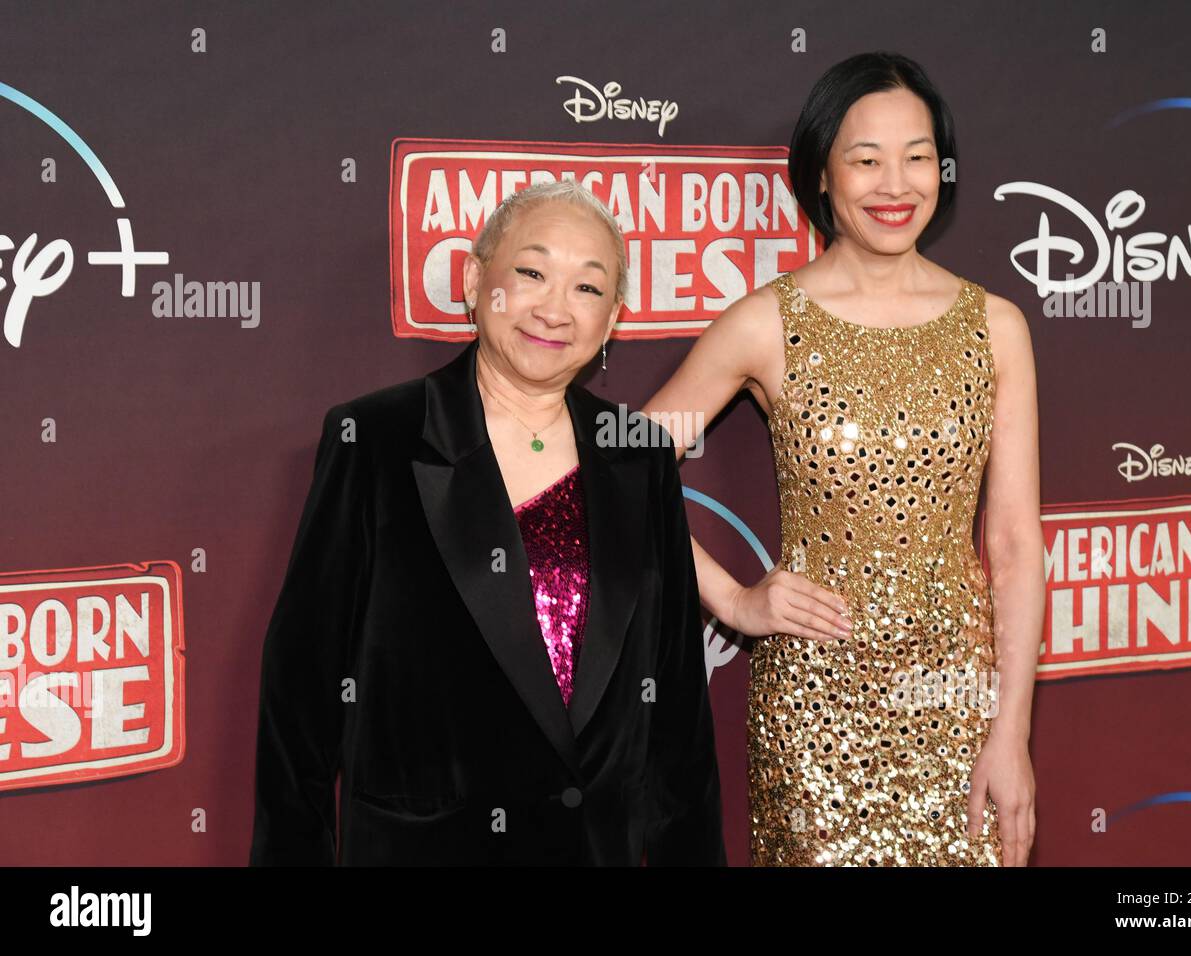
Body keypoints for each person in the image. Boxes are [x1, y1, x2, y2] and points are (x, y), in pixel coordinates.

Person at [642, 52, 1044, 866]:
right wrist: (733, 601)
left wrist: (1011, 733)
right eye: (866, 159)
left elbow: (1013, 546)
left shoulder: (996, 326)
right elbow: (618, 475)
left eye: (918, 156)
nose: (895, 184)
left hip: (960, 707)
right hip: (815, 710)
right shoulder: (765, 322)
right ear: (822, 174)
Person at [249, 180, 726, 866]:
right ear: (476, 280)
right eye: (531, 273)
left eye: (588, 289)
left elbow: (676, 716)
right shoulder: (376, 439)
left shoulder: (638, 456)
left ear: (614, 317)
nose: (554, 309)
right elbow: (301, 690)